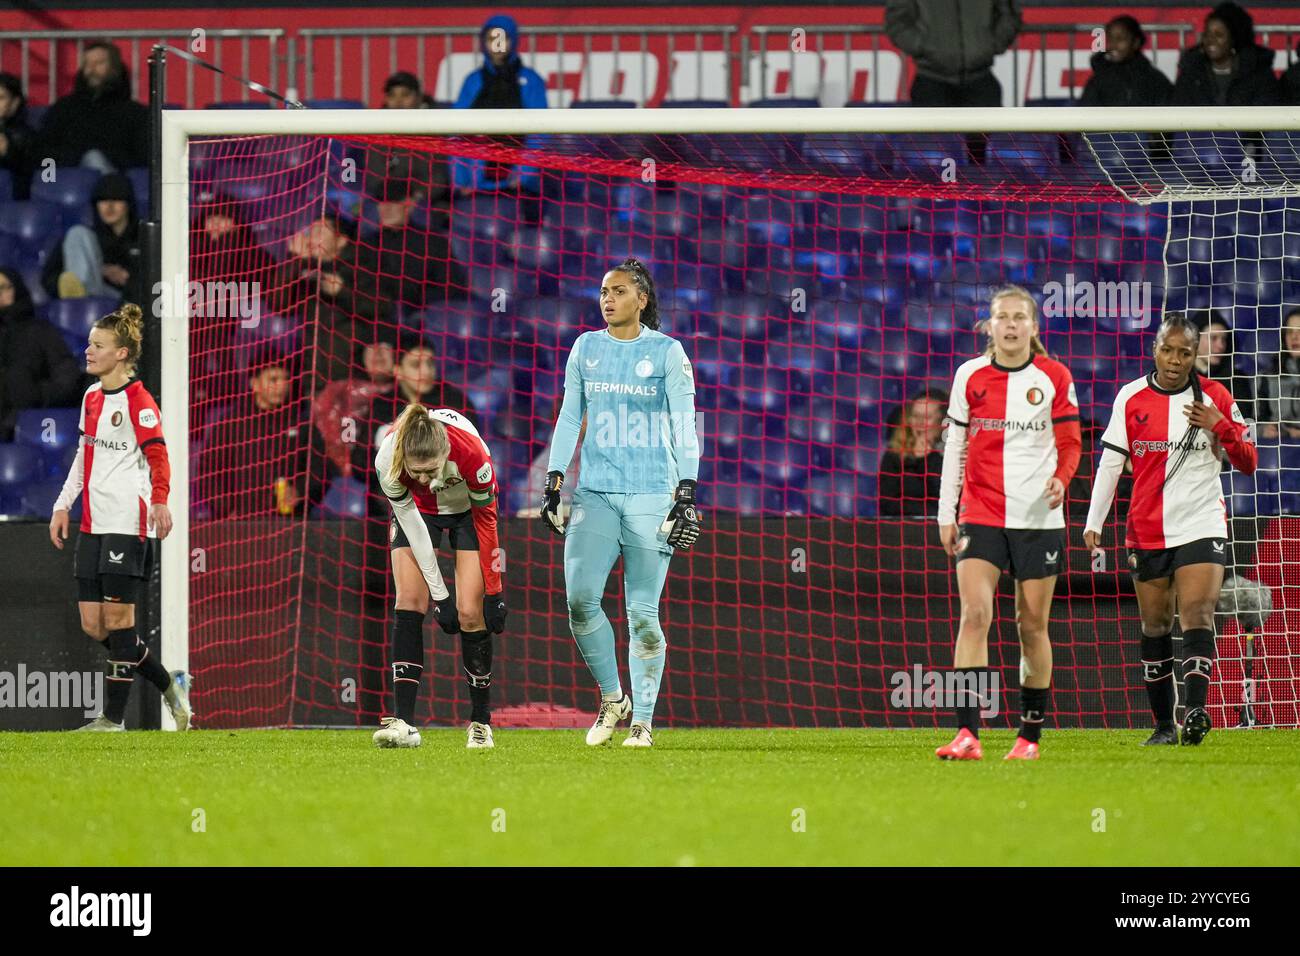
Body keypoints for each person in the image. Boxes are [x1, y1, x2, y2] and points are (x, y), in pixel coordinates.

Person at [540, 258, 701, 749]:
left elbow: (683, 424)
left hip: (654, 492)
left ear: (642, 299)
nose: (607, 299)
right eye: (604, 291)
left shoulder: (669, 352)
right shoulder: (585, 348)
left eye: (618, 291)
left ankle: (643, 723)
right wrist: (555, 477)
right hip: (596, 495)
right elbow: (570, 416)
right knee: (579, 599)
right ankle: (613, 699)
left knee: (642, 615)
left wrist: (687, 491)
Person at [1084, 313, 1257, 746]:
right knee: (1156, 625)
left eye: (1185, 351)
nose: (1175, 359)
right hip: (1147, 529)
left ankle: (1196, 711)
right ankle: (1164, 726)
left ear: (1196, 354)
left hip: (1201, 522)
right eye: (1168, 349)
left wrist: (1221, 426)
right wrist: (1094, 521)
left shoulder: (1215, 396)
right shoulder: (1130, 397)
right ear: (1154, 349)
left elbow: (1249, 462)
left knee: (1197, 612)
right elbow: (1110, 463)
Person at [935, 285, 1081, 761]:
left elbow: (1072, 442)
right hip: (980, 513)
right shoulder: (969, 376)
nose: (1012, 324)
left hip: (1038, 518)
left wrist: (1062, 479)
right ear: (990, 325)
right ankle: (968, 734)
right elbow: (955, 448)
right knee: (975, 615)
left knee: (1031, 625)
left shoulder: (1055, 376)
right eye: (1003, 317)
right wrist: (946, 512)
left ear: (1034, 327)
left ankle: (1029, 737)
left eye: (1021, 317)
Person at [47, 303, 191, 731]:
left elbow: (158, 456)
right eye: (89, 343)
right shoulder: (91, 397)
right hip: (92, 523)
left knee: (120, 624)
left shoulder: (140, 401)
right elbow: (82, 455)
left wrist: (161, 500)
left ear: (122, 353)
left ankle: (112, 720)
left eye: (98, 345)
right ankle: (170, 684)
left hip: (127, 523)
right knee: (95, 626)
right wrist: (62, 504)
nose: (88, 351)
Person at [369, 403, 507, 750]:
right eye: (418, 473)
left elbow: (487, 521)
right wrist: (439, 596)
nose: (427, 482)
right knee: (410, 600)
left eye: (432, 470)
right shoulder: (388, 461)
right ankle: (404, 724)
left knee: (471, 612)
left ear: (445, 451)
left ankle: (480, 723)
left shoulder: (473, 455)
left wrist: (495, 592)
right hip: (419, 516)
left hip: (468, 515)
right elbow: (414, 530)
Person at [352, 335, 478, 514]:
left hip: (445, 495)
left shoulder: (454, 402)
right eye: (416, 365)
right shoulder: (382, 407)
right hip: (393, 498)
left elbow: (472, 455)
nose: (426, 371)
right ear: (397, 370)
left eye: (430, 363)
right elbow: (359, 463)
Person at [198, 350, 331, 518]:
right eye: (273, 380)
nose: (281, 386)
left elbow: (321, 469)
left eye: (285, 380)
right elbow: (207, 469)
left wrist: (299, 491)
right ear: (255, 383)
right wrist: (227, 509)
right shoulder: (232, 422)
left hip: (288, 523)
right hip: (242, 525)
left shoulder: (301, 423)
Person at [885, 0, 1022, 161]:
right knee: (934, 159)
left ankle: (980, 186)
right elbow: (897, 22)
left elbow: (1009, 13)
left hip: (981, 80)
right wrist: (923, 46)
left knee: (985, 159)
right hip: (931, 81)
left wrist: (991, 45)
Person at [452, 13, 548, 218]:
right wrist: (461, 181)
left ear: (513, 40)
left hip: (519, 187)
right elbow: (455, 133)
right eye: (491, 39)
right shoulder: (473, 81)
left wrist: (522, 177)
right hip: (475, 185)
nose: (497, 45)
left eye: (503, 39)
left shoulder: (531, 81)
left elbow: (540, 134)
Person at [36, 41, 149, 173]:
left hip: (118, 180)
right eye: (86, 64)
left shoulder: (135, 113)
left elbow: (143, 157)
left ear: (115, 68)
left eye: (99, 63)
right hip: (71, 178)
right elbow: (44, 153)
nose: (91, 69)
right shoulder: (63, 108)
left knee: (95, 159)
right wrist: (50, 180)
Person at [0, 268, 86, 440]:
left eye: (4, 287)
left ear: (17, 289)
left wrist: (36, 395)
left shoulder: (40, 331)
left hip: (29, 422)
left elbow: (67, 378)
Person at [312, 328, 401, 478]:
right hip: (348, 478)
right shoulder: (339, 394)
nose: (378, 353)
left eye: (385, 346)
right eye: (371, 347)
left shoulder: (408, 393)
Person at [42, 172, 143, 303]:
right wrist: (100, 270)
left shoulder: (143, 235)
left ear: (128, 204)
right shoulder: (87, 238)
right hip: (93, 296)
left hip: (129, 302)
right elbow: (48, 278)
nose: (109, 206)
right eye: (103, 200)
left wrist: (128, 277)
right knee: (77, 233)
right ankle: (79, 294)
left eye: (117, 199)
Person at [1171, 3, 1280, 107]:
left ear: (1234, 38)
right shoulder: (1191, 74)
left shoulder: (1258, 74)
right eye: (1207, 34)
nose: (1210, 40)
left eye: (1219, 35)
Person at [878, 388, 947, 517]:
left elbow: (945, 500)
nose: (919, 423)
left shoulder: (953, 455)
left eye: (927, 417)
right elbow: (888, 502)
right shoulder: (895, 454)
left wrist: (929, 458)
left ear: (943, 422)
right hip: (902, 528)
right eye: (915, 416)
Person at [1080, 15, 1174, 107]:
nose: (1113, 45)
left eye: (1120, 39)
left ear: (1136, 43)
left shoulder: (1155, 81)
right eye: (1110, 39)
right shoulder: (1099, 79)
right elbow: (1085, 115)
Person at [1191, 310, 1255, 425]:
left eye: (1223, 339)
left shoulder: (1237, 379)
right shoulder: (1180, 378)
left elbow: (1243, 423)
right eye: (1213, 338)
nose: (1220, 346)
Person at [1257, 306, 1300, 442]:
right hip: (1278, 451)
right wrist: (1263, 430)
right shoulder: (1267, 377)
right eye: (1289, 332)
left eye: (1299, 331)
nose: (1294, 337)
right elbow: (1250, 423)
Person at [0, 72, 36, 199]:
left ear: (15, 103)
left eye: (1, 98)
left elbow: (41, 171)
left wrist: (8, 152)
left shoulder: (26, 135)